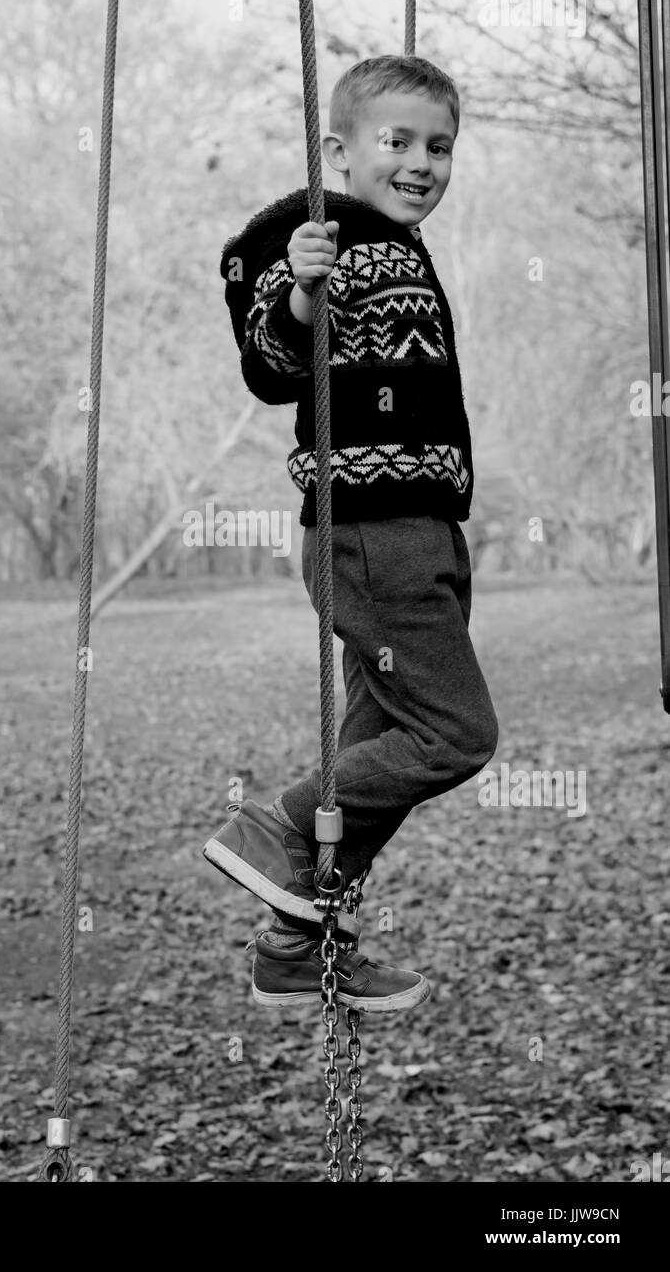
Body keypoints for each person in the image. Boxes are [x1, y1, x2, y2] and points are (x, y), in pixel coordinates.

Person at [203, 55, 499, 1012]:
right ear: (339, 149)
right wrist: (299, 291)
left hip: (422, 532)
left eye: (439, 146)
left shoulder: (403, 246)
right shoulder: (320, 237)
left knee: (383, 739)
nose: (422, 163)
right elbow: (271, 365)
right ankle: (275, 827)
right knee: (453, 734)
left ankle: (298, 941)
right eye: (398, 142)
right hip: (374, 534)